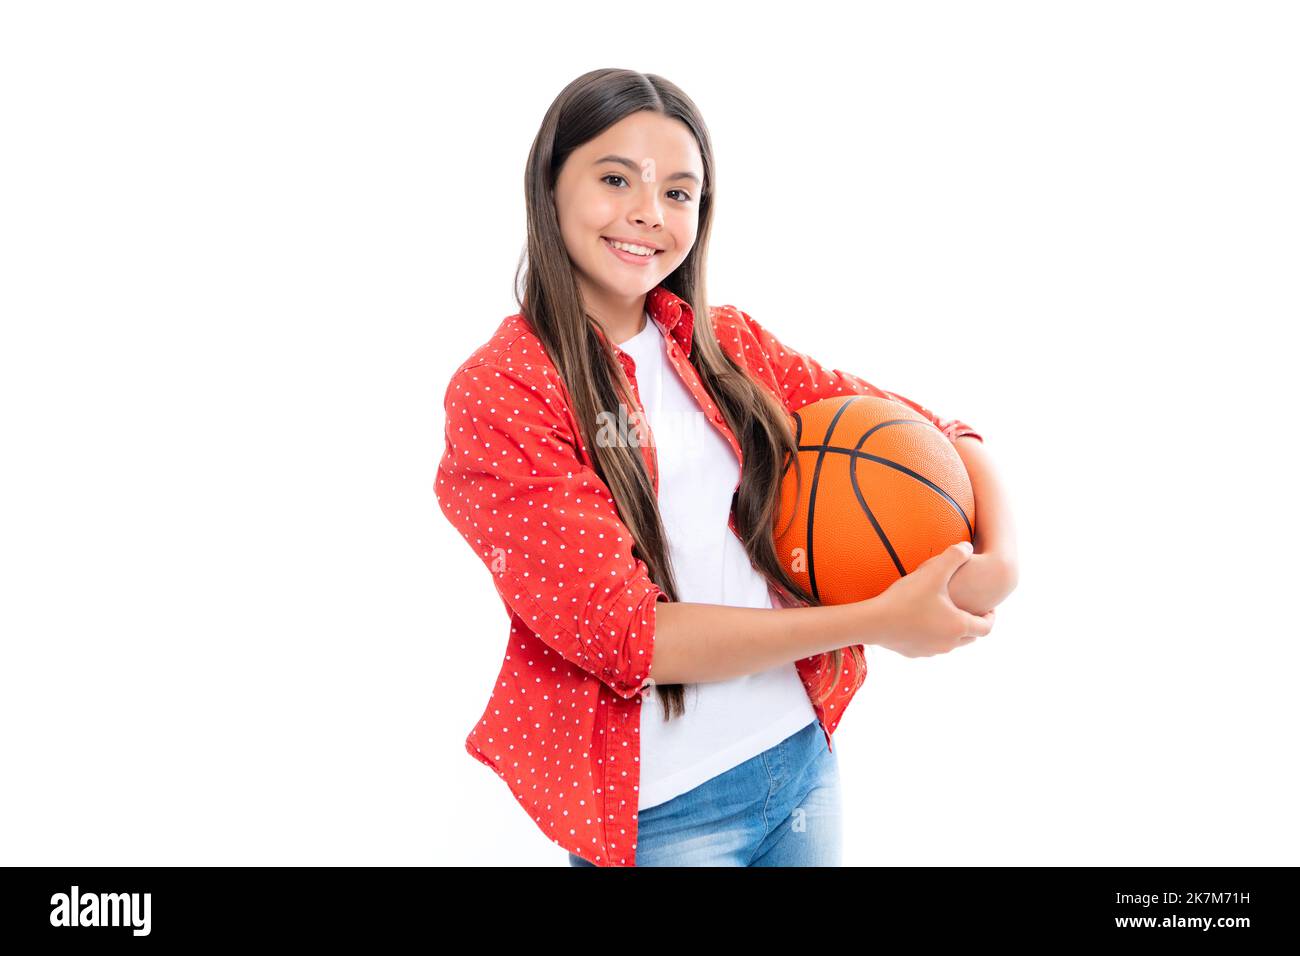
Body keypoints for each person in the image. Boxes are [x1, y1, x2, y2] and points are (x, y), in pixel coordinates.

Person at [434, 68, 1019, 867]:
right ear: (549, 182)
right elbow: (631, 636)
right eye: (615, 179)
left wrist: (1001, 560)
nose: (649, 212)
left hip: (798, 763)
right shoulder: (504, 393)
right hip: (666, 814)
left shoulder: (723, 344)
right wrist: (878, 622)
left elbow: (939, 431)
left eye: (680, 193)